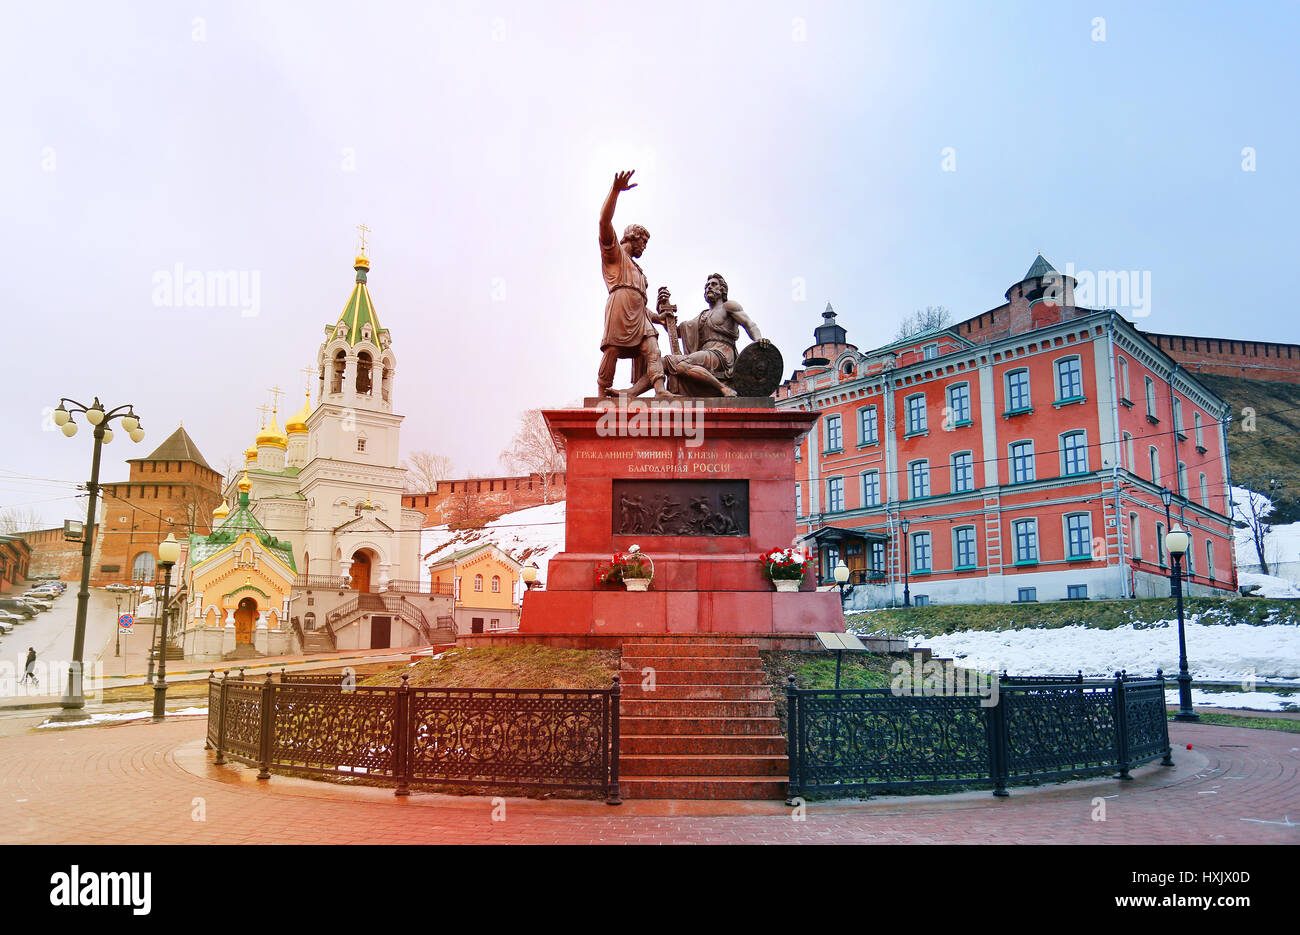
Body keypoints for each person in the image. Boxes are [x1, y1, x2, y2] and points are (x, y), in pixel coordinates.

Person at [596, 170, 670, 399]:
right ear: (632, 237)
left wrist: (660, 318)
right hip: (619, 305)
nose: (644, 247)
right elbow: (604, 221)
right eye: (643, 242)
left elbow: (641, 307)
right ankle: (601, 392)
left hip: (640, 316)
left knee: (652, 346)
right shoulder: (614, 254)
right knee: (613, 349)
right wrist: (615, 191)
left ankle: (660, 390)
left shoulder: (639, 272)